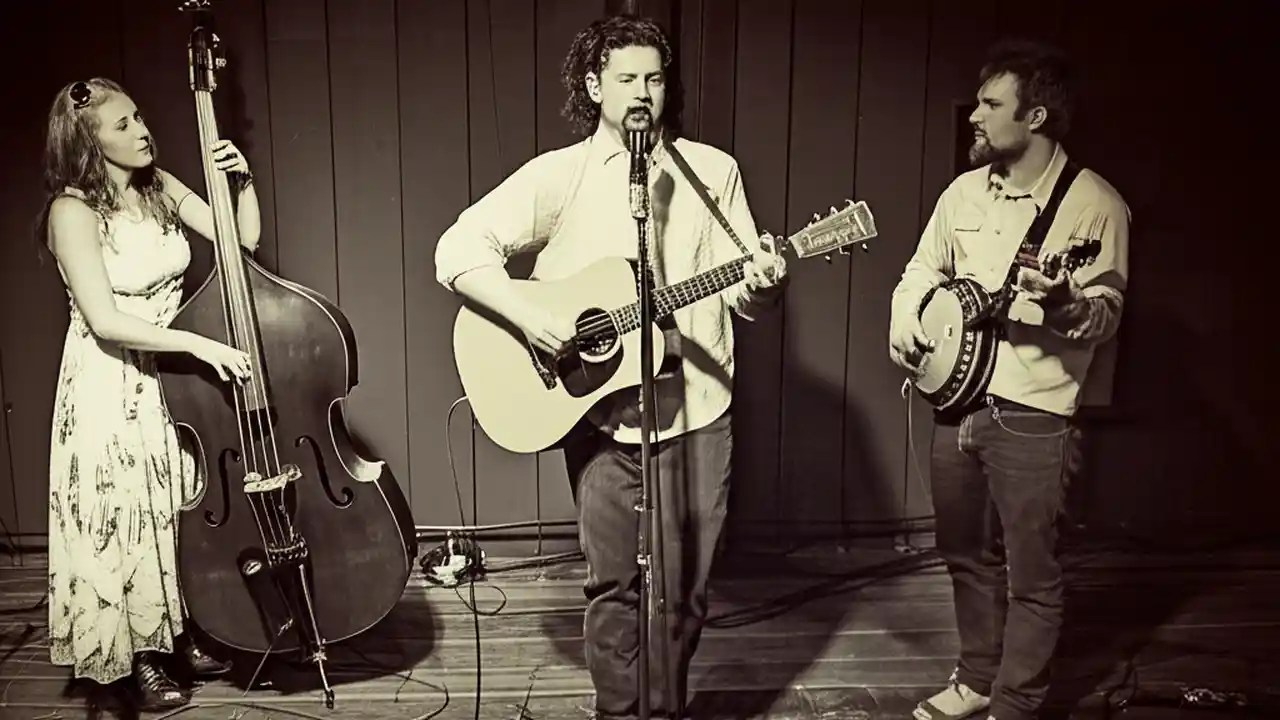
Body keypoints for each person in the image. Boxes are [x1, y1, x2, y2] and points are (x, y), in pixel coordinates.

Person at [434, 14, 788, 719]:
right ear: (594, 85)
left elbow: (746, 293)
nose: (642, 93)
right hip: (600, 417)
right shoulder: (559, 177)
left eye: (654, 78)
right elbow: (456, 251)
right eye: (625, 78)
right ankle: (617, 713)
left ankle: (664, 712)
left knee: (683, 590)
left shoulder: (711, 171)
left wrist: (764, 284)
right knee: (612, 585)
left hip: (696, 413)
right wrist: (533, 317)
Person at [889, 40, 1130, 720]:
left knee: (1031, 572)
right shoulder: (963, 191)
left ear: (1038, 116)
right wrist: (905, 319)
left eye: (992, 105)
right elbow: (919, 272)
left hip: (1033, 414)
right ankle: (975, 678)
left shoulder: (1093, 206)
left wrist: (1063, 302)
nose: (975, 116)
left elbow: (1105, 316)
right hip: (953, 402)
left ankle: (1015, 705)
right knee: (965, 555)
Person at [41, 77, 258, 711]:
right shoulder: (72, 212)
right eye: (123, 125)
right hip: (111, 377)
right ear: (87, 140)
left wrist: (241, 183)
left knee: (173, 506)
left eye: (139, 116)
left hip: (167, 374)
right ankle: (136, 658)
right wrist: (198, 345)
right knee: (124, 515)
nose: (142, 130)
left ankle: (178, 634)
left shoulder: (158, 187)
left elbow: (240, 244)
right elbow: (105, 319)